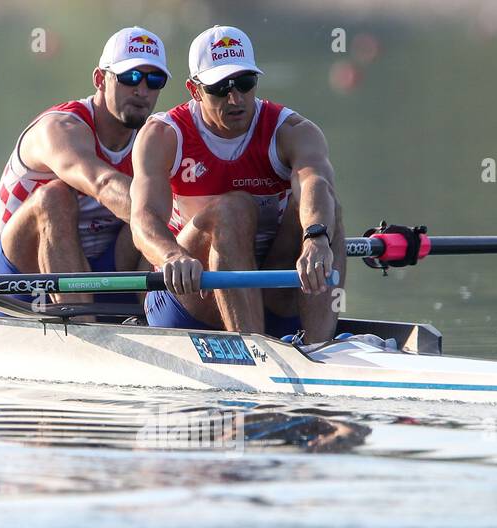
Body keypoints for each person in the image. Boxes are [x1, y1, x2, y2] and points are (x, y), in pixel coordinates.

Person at [131, 25, 345, 340]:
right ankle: (255, 350)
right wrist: (171, 256)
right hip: (188, 296)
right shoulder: (164, 135)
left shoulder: (292, 130)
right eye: (221, 87)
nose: (236, 98)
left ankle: (320, 348)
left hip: (266, 289)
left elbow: (315, 182)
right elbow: (142, 219)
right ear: (195, 90)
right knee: (233, 208)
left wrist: (316, 237)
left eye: (245, 83)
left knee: (327, 213)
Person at [0, 27, 168, 313]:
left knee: (168, 201)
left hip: (102, 274)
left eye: (154, 80)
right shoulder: (59, 129)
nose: (142, 90)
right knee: (54, 197)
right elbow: (102, 183)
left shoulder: (154, 140)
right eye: (129, 77)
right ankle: (82, 329)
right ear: (100, 79)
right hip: (19, 283)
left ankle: (159, 320)